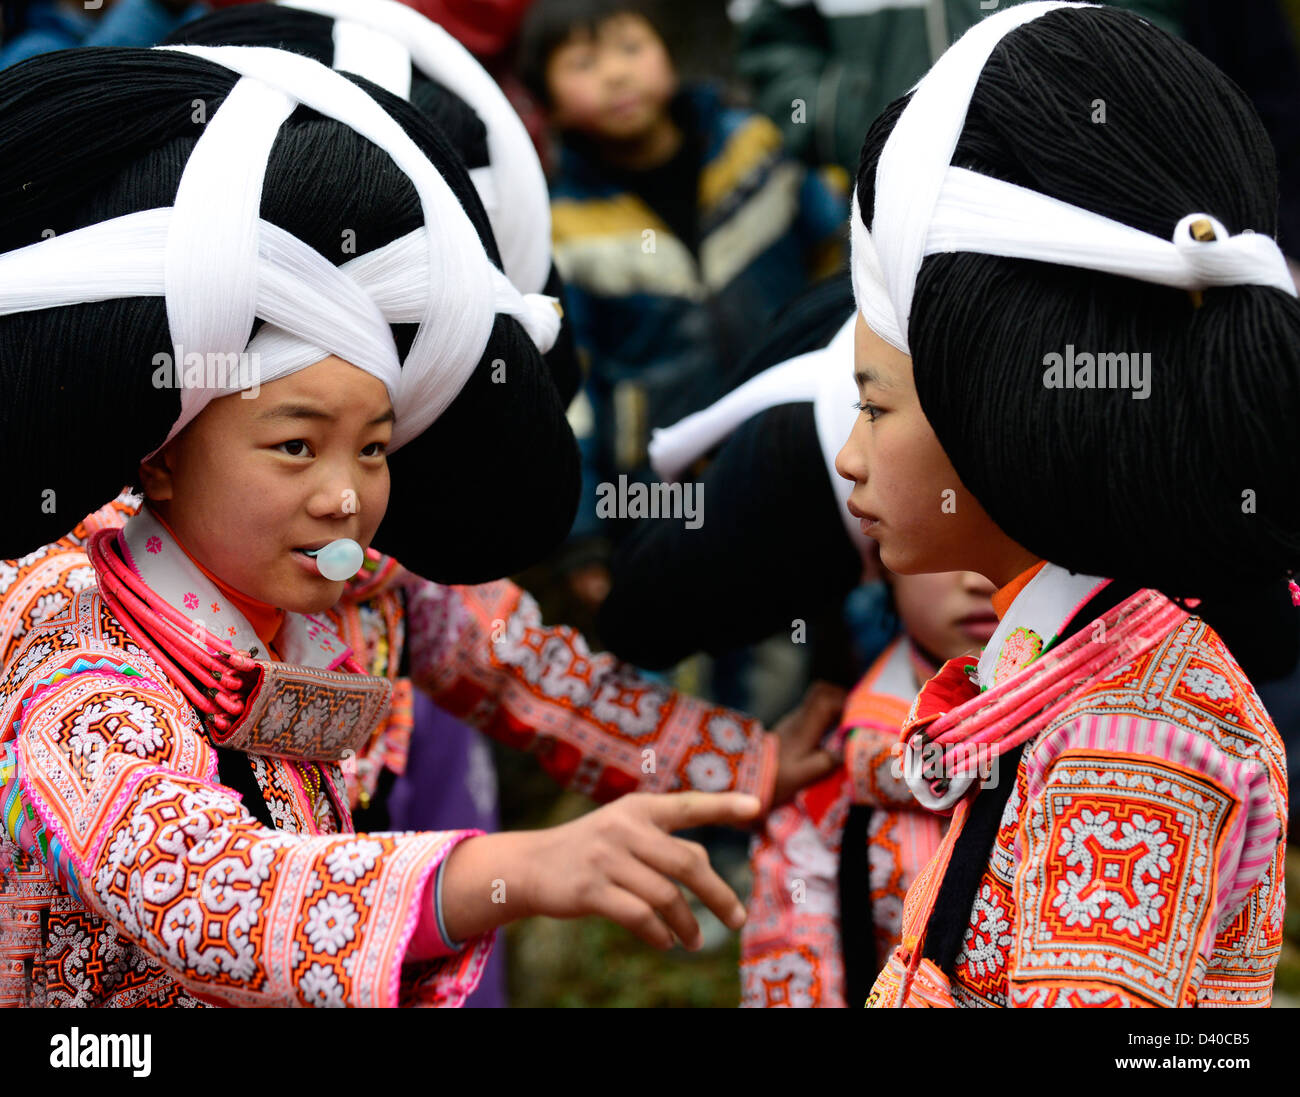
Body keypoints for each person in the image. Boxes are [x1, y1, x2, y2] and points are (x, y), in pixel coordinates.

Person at [0, 44, 829, 1007]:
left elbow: (530, 672)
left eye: (375, 449)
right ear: (162, 456)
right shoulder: (69, 648)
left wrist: (748, 763)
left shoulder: (364, 580)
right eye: (296, 448)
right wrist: (513, 872)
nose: (345, 495)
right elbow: (201, 881)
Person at [839, 1, 1294, 1007]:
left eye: (873, 406)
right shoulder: (1090, 670)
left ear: (992, 400)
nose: (847, 455)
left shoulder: (1128, 745)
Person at [517, 0, 847, 603]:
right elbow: (573, 393)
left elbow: (838, 260)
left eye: (630, 48)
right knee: (696, 622)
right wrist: (586, 535)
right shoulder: (565, 228)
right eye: (585, 63)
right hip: (661, 483)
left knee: (811, 604)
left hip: (801, 434)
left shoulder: (756, 148)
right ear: (549, 102)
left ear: (668, 54)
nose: (616, 74)